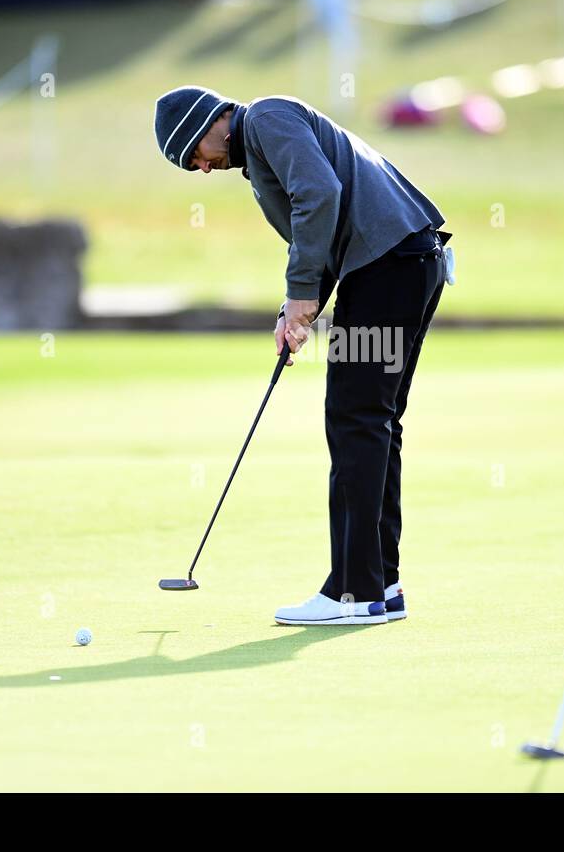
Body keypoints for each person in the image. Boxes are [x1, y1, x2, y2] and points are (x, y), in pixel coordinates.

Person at [153, 87, 450, 625]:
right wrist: (297, 312)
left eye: (195, 151)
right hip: (400, 264)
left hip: (389, 268)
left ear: (216, 120)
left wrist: (302, 295)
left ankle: (353, 593)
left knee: (356, 419)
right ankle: (381, 584)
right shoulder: (263, 148)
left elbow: (319, 194)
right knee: (374, 422)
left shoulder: (266, 118)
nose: (200, 168)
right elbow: (325, 231)